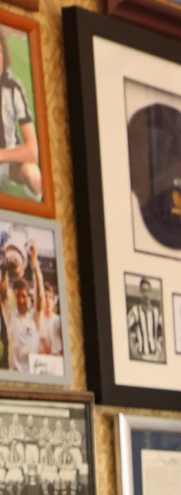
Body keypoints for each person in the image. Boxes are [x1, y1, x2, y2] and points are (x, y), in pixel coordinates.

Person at [0, 32, 41, 200]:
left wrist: (1, 155)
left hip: (9, 162)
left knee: (35, 177)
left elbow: (32, 151)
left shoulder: (13, 87)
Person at [0, 240, 46, 375]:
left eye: (24, 296)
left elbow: (40, 293)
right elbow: (3, 294)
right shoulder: (11, 316)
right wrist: (5, 268)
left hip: (33, 376)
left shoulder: (34, 317)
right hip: (14, 376)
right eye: (18, 296)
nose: (21, 300)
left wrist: (34, 261)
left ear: (29, 297)